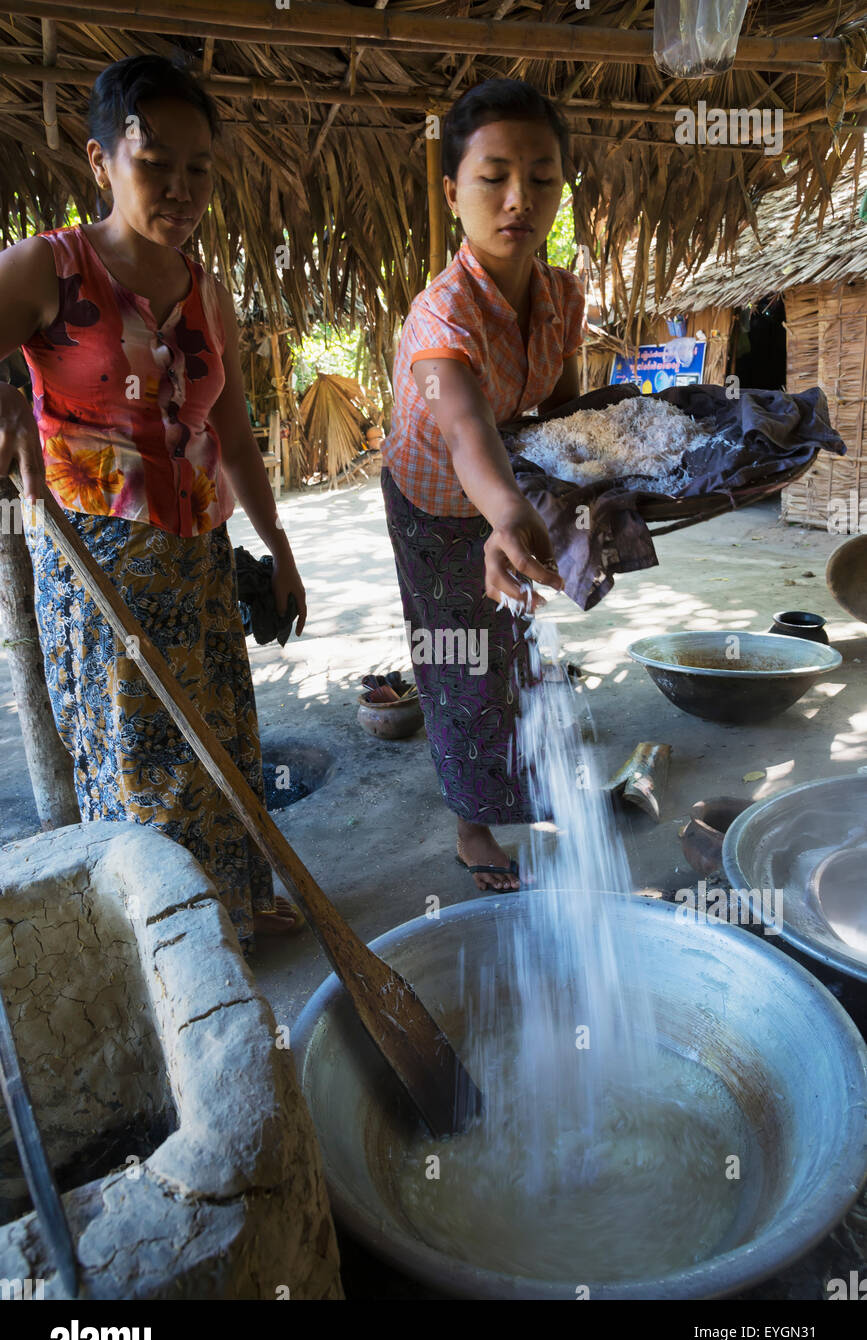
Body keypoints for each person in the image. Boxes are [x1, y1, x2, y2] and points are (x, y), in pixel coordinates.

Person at [0, 55, 306, 951]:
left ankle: (236, 910)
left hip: (201, 561)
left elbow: (239, 440)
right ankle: (175, 941)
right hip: (103, 569)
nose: (180, 186)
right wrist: (8, 398)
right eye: (154, 161)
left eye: (199, 166)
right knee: (145, 764)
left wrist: (279, 546)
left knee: (221, 750)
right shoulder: (45, 269)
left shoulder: (208, 292)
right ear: (100, 162)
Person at [380, 79, 585, 891]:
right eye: (492, 175)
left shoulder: (560, 294)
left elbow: (565, 409)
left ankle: (526, 781)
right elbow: (465, 431)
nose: (517, 199)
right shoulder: (441, 318)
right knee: (459, 659)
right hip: (435, 503)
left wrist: (577, 493)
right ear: (451, 190)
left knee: (521, 650)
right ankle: (471, 825)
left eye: (540, 178)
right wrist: (504, 513)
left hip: (507, 493)